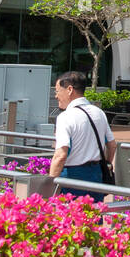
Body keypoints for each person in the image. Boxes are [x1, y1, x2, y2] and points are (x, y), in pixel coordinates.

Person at [49, 71, 116, 202]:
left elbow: (61, 155)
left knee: (70, 218)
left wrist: (49, 184)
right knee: (93, 218)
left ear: (69, 89)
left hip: (72, 177)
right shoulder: (99, 113)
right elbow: (112, 145)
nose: (56, 96)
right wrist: (106, 163)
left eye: (57, 91)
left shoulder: (65, 117)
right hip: (96, 174)